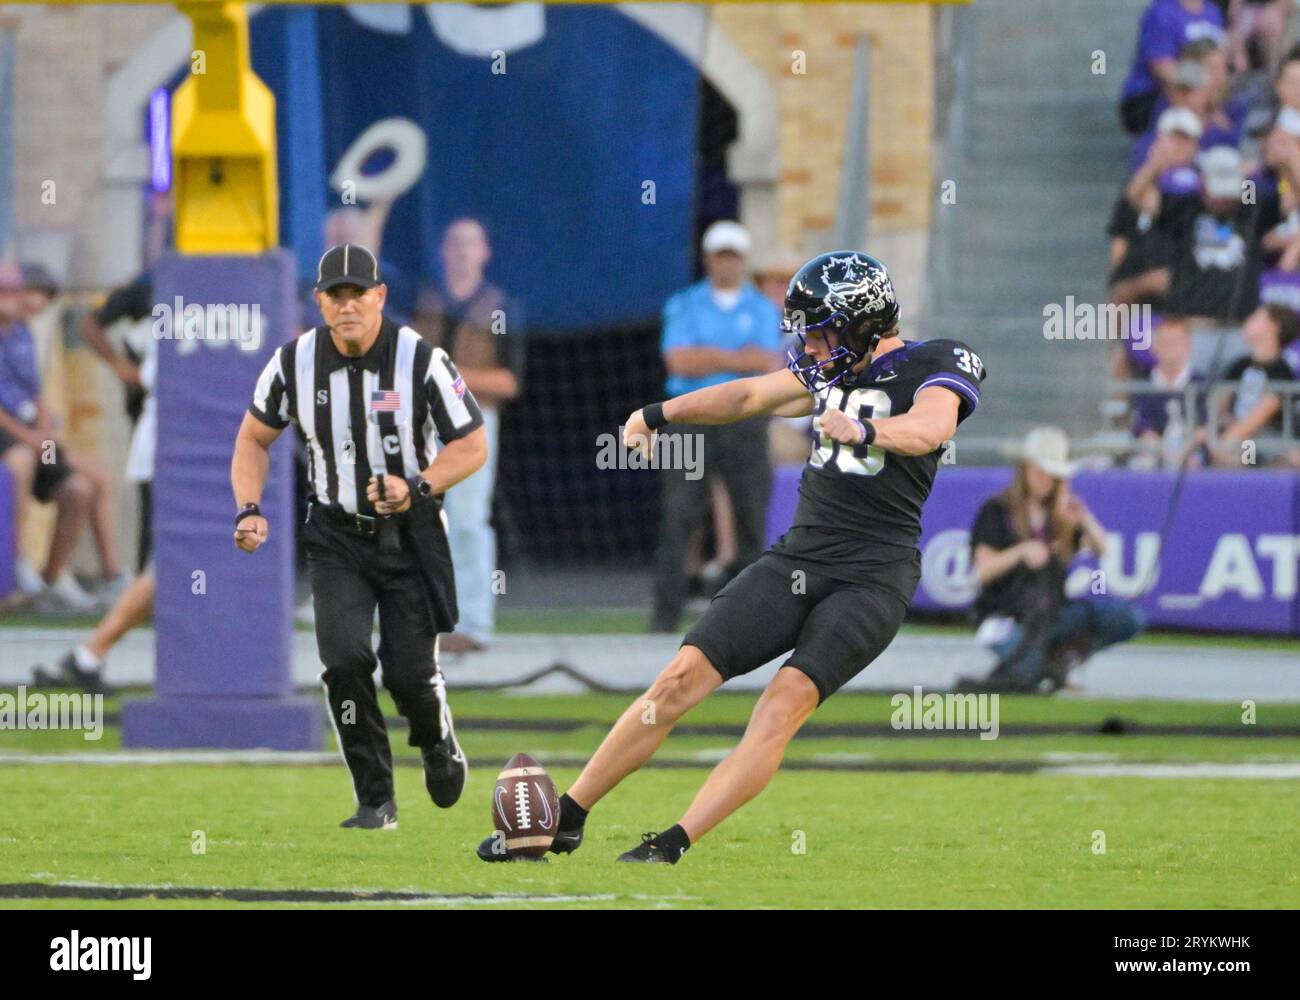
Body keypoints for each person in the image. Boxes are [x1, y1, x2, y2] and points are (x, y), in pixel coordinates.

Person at [478, 251, 986, 864]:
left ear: (863, 320)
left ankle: (672, 842)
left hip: (873, 578)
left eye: (822, 328)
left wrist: (868, 431)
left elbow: (931, 428)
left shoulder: (938, 362)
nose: (813, 344)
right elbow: (747, 394)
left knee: (782, 703)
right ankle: (569, 814)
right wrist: (657, 413)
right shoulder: (826, 372)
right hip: (799, 557)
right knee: (678, 679)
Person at [232, 243, 488, 830]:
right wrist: (248, 509)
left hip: (409, 532)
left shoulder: (421, 359)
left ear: (380, 297)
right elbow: (252, 438)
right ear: (319, 302)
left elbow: (472, 443)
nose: (347, 306)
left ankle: (435, 738)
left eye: (358, 294)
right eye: (334, 295)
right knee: (344, 660)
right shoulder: (291, 362)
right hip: (336, 535)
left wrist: (417, 486)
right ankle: (375, 797)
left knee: (407, 675)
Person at [649, 220, 783, 632]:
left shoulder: (762, 307)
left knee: (750, 515)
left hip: (745, 420)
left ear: (743, 261)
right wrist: (738, 358)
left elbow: (767, 363)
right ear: (708, 260)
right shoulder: (684, 304)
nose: (727, 264)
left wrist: (710, 355)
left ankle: (746, 615)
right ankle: (665, 615)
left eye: (734, 256)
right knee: (678, 514)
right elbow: (679, 362)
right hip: (690, 418)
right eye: (720, 256)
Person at [960, 428, 1145, 695]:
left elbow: (1102, 547)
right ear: (1025, 470)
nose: (1045, 479)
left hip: (1052, 615)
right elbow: (982, 572)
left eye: (1052, 474)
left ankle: (1058, 661)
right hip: (1004, 616)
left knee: (1127, 617)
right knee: (1027, 669)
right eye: (1039, 471)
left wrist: (1084, 519)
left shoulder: (1061, 516)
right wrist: (1020, 552)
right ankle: (1044, 666)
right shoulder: (997, 510)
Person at [413, 219, 524, 653]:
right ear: (443, 251)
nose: (461, 252)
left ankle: (473, 624)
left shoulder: (499, 308)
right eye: (454, 243)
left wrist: (450, 377)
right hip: (422, 424)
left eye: (470, 244)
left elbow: (509, 382)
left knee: (469, 520)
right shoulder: (425, 302)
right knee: (417, 519)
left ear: (485, 252)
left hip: (474, 421)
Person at [0, 263, 120, 611]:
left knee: (80, 486)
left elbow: (34, 392)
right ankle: (17, 560)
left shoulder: (22, 334)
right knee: (20, 463)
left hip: (32, 437)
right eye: (7, 293)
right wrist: (31, 437)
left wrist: (45, 430)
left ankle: (54, 577)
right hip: (10, 437)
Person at [1205, 302, 1300, 462]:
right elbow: (1219, 404)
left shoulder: (1281, 370)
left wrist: (1229, 438)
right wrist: (1213, 429)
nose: (1248, 319)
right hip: (1236, 435)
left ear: (1274, 327)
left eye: (1256, 317)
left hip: (1269, 440)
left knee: (1241, 456)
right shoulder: (1238, 365)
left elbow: (1264, 412)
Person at [1120, 0, 1226, 135]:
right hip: (1151, 97)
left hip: (1204, 93)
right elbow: (1162, 68)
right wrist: (1200, 99)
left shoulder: (1213, 11)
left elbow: (1220, 59)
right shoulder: (1161, 12)